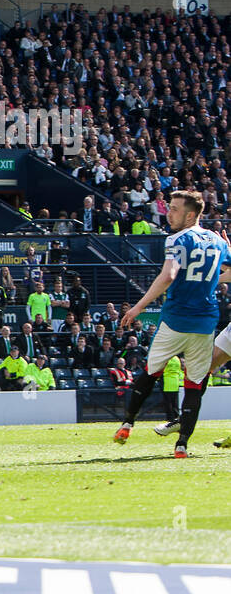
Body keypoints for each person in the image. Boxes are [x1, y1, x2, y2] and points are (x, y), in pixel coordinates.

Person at [114, 191, 231, 457]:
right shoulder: (216, 240)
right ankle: (182, 445)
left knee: (151, 372)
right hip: (205, 322)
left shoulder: (177, 239)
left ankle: (127, 423)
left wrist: (139, 306)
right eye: (169, 207)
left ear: (191, 215)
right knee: (194, 382)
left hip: (176, 319)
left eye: (175, 209)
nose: (169, 213)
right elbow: (225, 273)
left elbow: (168, 275)